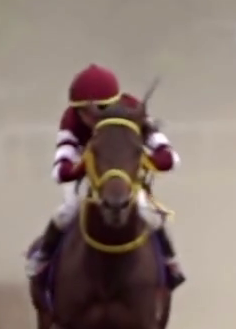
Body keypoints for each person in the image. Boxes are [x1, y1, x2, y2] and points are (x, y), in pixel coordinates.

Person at [23, 63, 185, 288]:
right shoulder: (70, 121)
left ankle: (170, 262)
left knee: (148, 212)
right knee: (68, 210)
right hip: (88, 170)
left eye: (101, 108)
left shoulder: (133, 111)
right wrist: (83, 165)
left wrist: (148, 158)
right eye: (84, 111)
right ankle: (44, 257)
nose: (90, 117)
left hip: (122, 174)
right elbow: (60, 171)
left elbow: (170, 158)